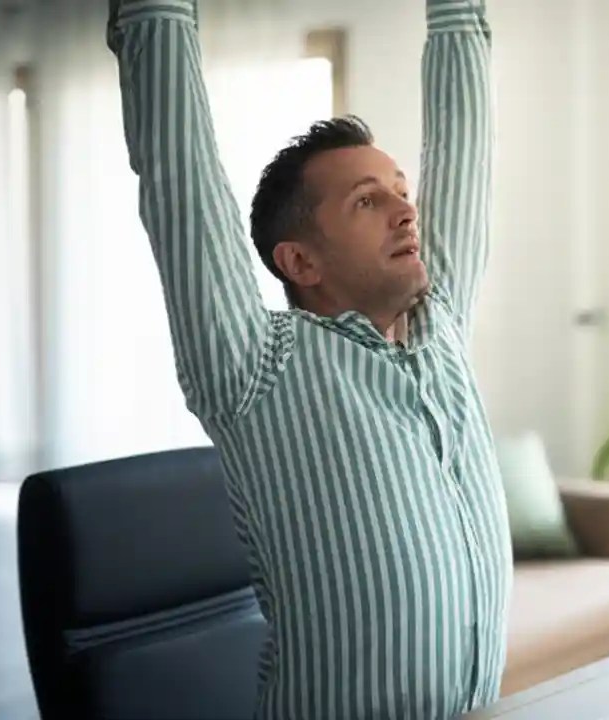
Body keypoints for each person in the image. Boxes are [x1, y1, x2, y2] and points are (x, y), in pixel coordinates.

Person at [107, 1, 511, 718]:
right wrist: (154, 16)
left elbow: (464, 145)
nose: (406, 211)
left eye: (402, 191)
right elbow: (182, 177)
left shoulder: (438, 331)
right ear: (300, 261)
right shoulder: (255, 366)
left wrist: (457, 15)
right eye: (367, 201)